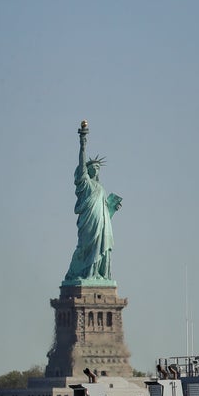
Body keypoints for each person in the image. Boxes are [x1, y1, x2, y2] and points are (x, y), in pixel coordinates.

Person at [63, 120, 124, 284]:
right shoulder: (86, 183)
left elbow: (104, 213)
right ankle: (89, 274)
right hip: (89, 223)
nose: (96, 169)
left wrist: (113, 209)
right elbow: (81, 166)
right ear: (88, 170)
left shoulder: (101, 189)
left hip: (102, 224)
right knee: (89, 247)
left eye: (98, 167)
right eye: (93, 167)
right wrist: (83, 143)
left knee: (103, 248)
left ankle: (97, 274)